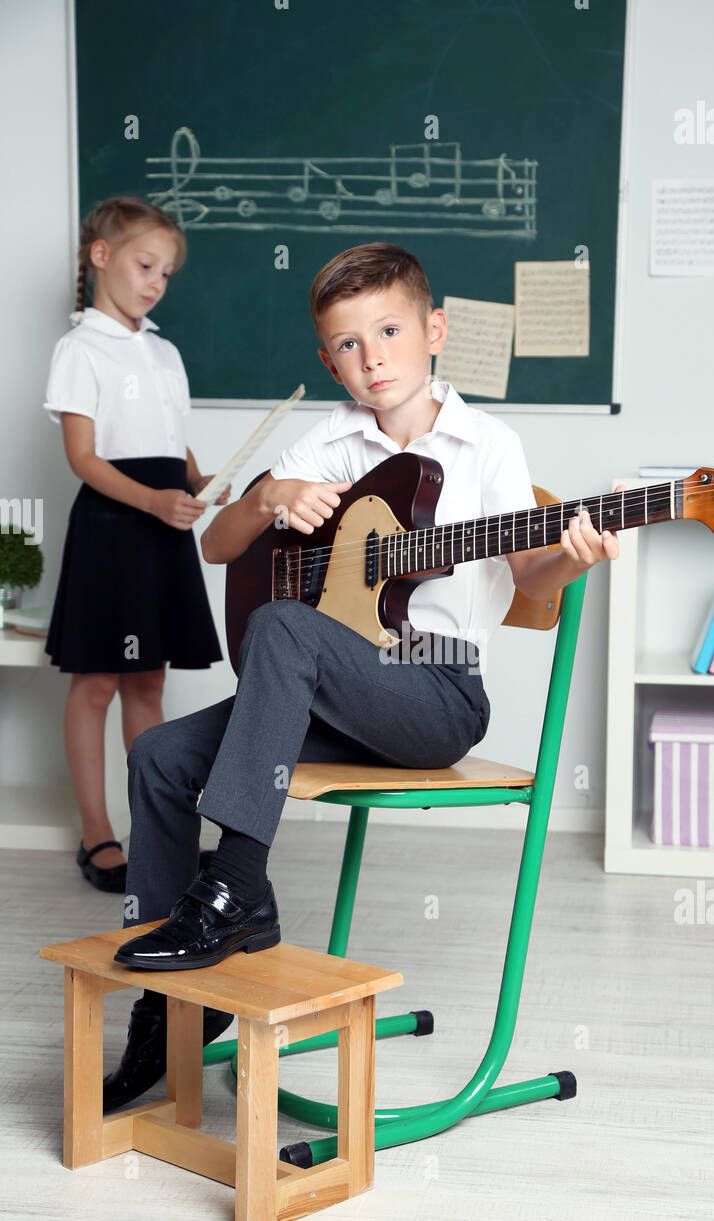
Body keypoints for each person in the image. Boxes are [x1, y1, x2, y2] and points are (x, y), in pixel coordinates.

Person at [102, 241, 620, 1114]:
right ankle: (174, 1006)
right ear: (325, 358)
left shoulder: (487, 445)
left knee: (283, 628)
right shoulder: (331, 439)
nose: (371, 358)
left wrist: (570, 562)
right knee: (157, 753)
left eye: (388, 331)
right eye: (347, 343)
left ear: (435, 331)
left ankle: (236, 885)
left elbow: (530, 579)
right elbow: (220, 544)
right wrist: (269, 499)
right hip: (325, 690)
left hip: (435, 695)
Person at [43, 196, 229, 895]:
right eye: (146, 264)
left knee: (148, 680)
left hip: (161, 523)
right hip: (113, 527)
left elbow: (165, 440)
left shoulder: (163, 350)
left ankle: (161, 837)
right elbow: (85, 458)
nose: (157, 281)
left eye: (167, 273)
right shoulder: (79, 347)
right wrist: (153, 499)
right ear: (101, 256)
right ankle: (97, 835)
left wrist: (195, 478)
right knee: (96, 680)